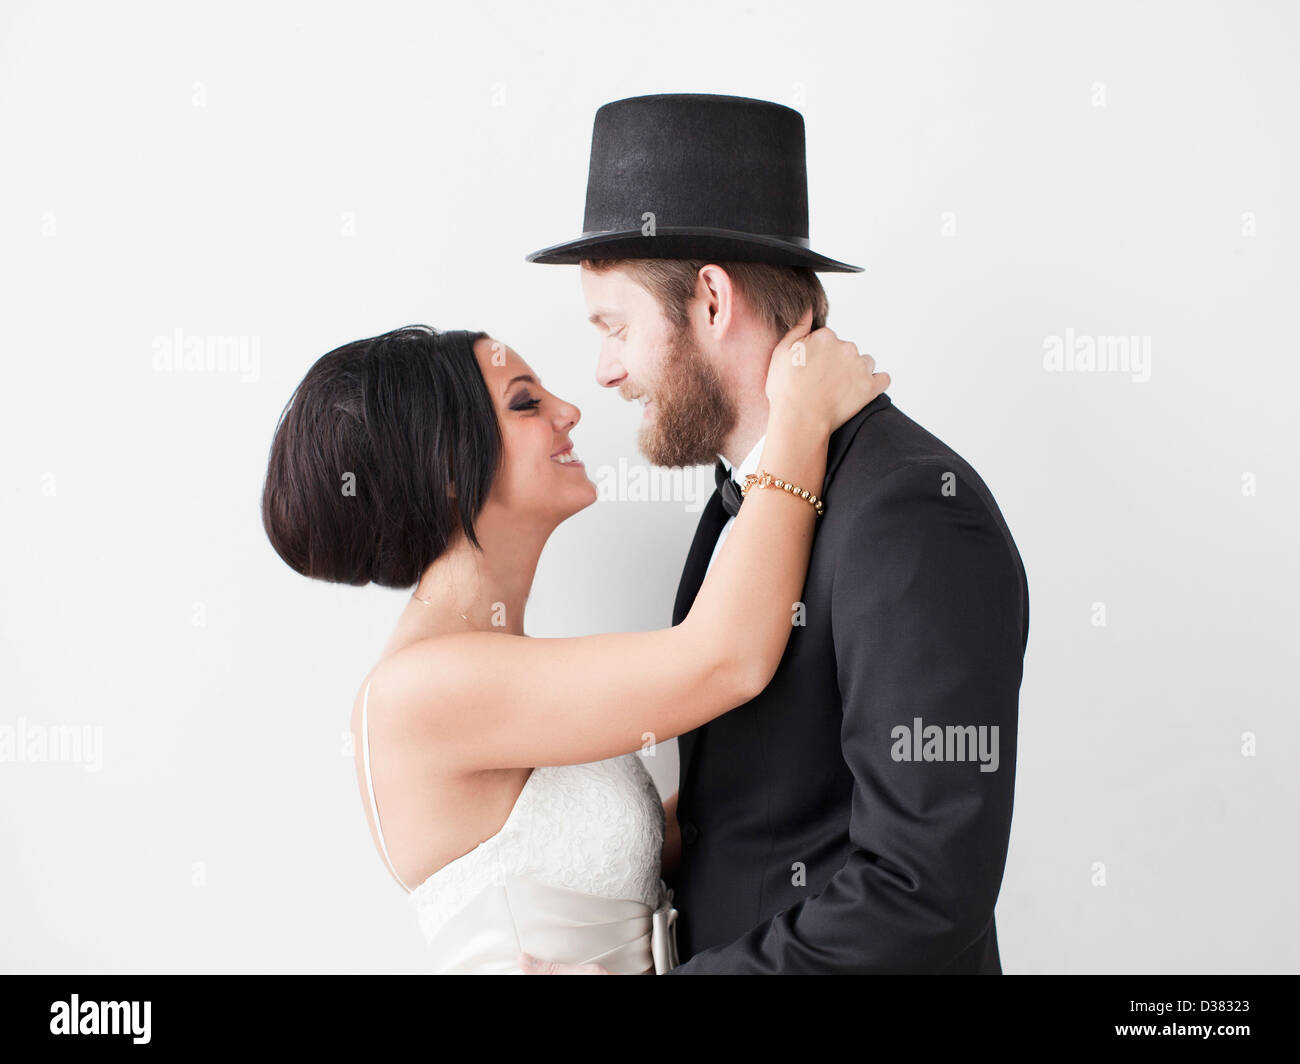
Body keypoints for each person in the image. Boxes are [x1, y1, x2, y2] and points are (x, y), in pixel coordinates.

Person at [524, 93, 1029, 974]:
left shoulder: (909, 512)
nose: (604, 370)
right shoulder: (750, 504)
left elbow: (924, 888)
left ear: (712, 302)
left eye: (615, 327)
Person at [261, 319, 888, 973]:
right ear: (446, 464)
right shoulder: (421, 688)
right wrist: (802, 416)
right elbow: (724, 658)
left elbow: (670, 834)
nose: (570, 411)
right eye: (526, 402)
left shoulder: (489, 668)